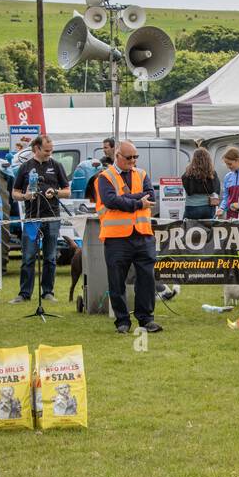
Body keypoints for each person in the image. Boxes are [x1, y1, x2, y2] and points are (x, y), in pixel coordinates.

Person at [96, 141, 161, 334]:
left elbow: (150, 196)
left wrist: (128, 200)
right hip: (116, 238)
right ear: (117, 156)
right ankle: (122, 321)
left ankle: (146, 319)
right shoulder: (104, 177)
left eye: (135, 157)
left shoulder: (141, 174)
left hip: (142, 234)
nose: (132, 161)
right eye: (129, 157)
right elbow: (111, 201)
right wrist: (137, 202)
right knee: (117, 281)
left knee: (147, 279)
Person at [10, 134, 69, 304]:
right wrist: (26, 196)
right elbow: (15, 193)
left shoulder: (56, 166)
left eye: (51, 151)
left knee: (50, 257)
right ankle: (24, 293)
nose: (49, 154)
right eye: (46, 151)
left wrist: (56, 192)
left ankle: (48, 292)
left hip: (52, 217)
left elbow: (67, 190)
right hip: (31, 218)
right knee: (28, 256)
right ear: (36, 149)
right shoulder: (25, 167)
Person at [182, 147, 222, 220]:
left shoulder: (188, 173)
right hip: (208, 207)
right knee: (207, 229)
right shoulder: (212, 173)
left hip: (192, 206)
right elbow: (216, 189)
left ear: (194, 159)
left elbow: (187, 190)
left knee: (188, 228)